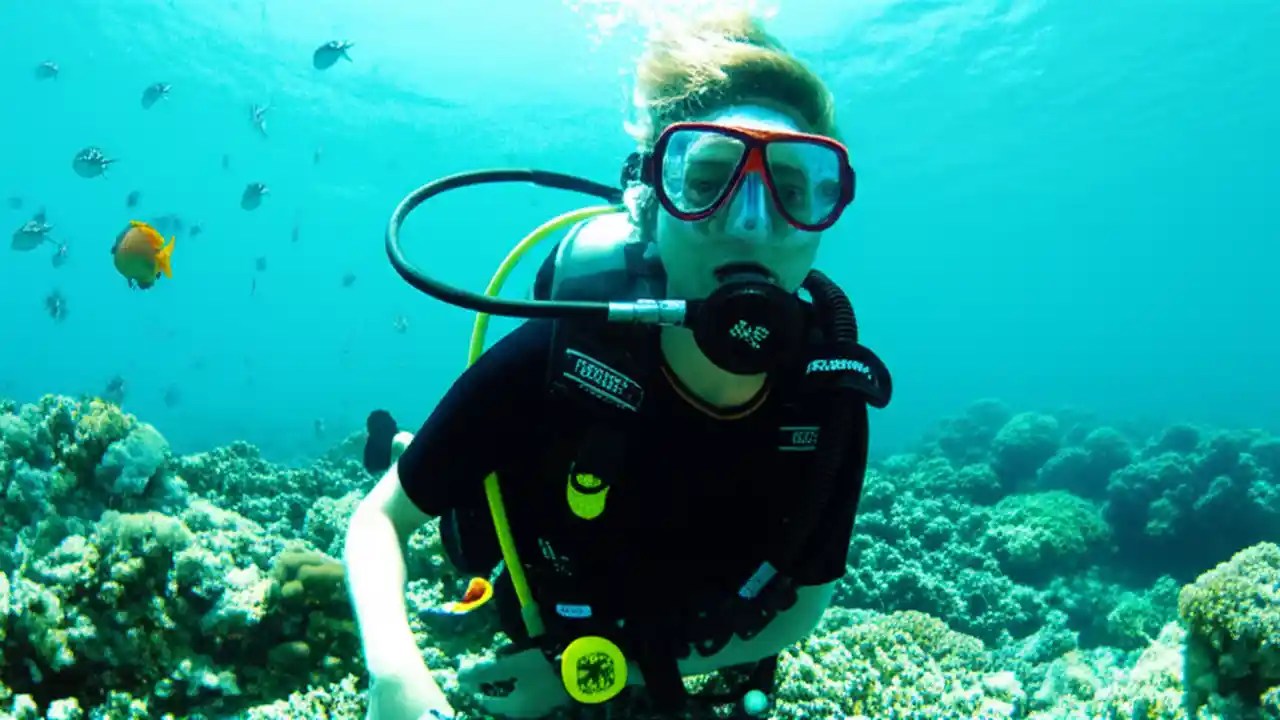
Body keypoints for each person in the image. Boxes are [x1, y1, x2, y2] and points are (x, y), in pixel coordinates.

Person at [344, 8, 892, 720]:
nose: (752, 222)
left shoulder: (828, 398)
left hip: (652, 632)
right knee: (461, 524)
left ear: (826, 213)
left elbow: (800, 614)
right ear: (650, 204)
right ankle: (405, 444)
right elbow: (379, 521)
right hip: (541, 578)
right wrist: (393, 674)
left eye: (793, 189)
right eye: (708, 179)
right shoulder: (565, 355)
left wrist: (592, 675)